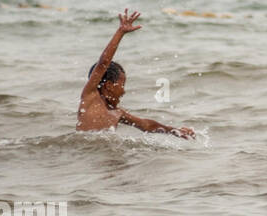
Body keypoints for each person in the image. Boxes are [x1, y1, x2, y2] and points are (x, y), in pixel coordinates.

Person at [77, 9, 195, 138]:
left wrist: (174, 131)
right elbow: (103, 63)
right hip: (86, 153)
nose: (123, 92)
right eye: (122, 85)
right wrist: (120, 32)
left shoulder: (117, 113)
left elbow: (146, 125)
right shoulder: (90, 97)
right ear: (109, 85)